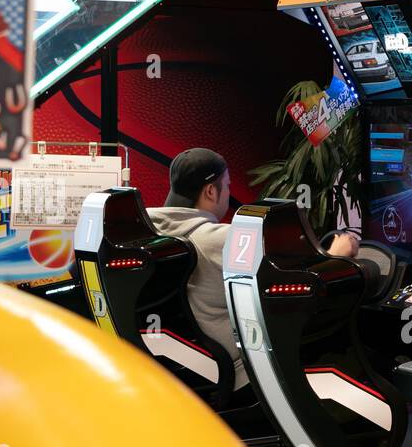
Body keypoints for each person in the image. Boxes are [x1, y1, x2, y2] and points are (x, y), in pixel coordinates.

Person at [147, 148, 359, 393]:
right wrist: (336, 255)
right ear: (210, 191)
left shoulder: (151, 233)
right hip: (239, 367)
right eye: (226, 186)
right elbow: (303, 277)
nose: (227, 193)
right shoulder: (218, 240)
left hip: (183, 364)